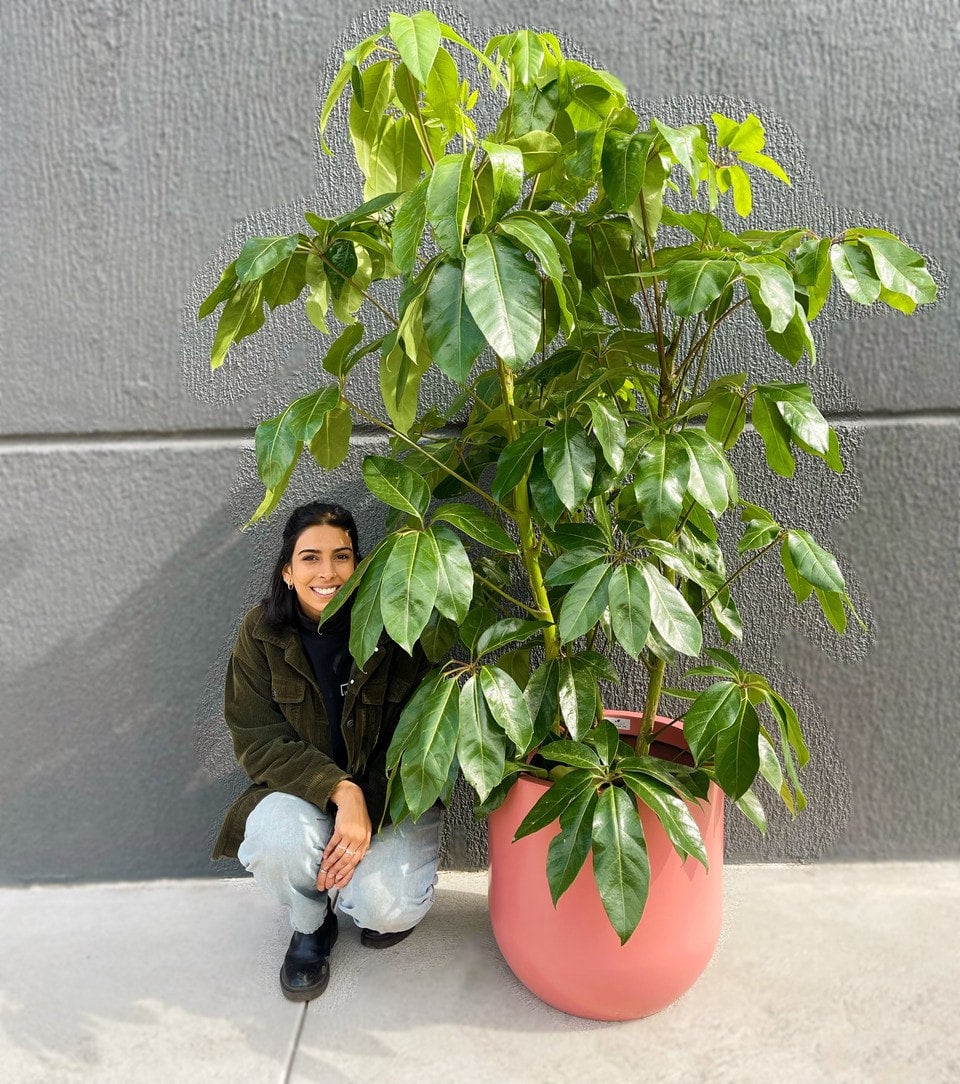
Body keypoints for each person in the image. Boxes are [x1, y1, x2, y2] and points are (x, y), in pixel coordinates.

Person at [212, 501, 440, 1001]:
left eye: (342, 556)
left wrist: (366, 803)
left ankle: (363, 888)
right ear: (288, 572)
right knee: (273, 838)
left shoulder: (397, 629)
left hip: (389, 797)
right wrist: (340, 791)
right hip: (304, 798)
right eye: (311, 558)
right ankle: (312, 925)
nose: (328, 572)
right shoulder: (261, 635)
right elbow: (257, 740)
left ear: (359, 566)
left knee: (385, 909)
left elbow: (424, 737)